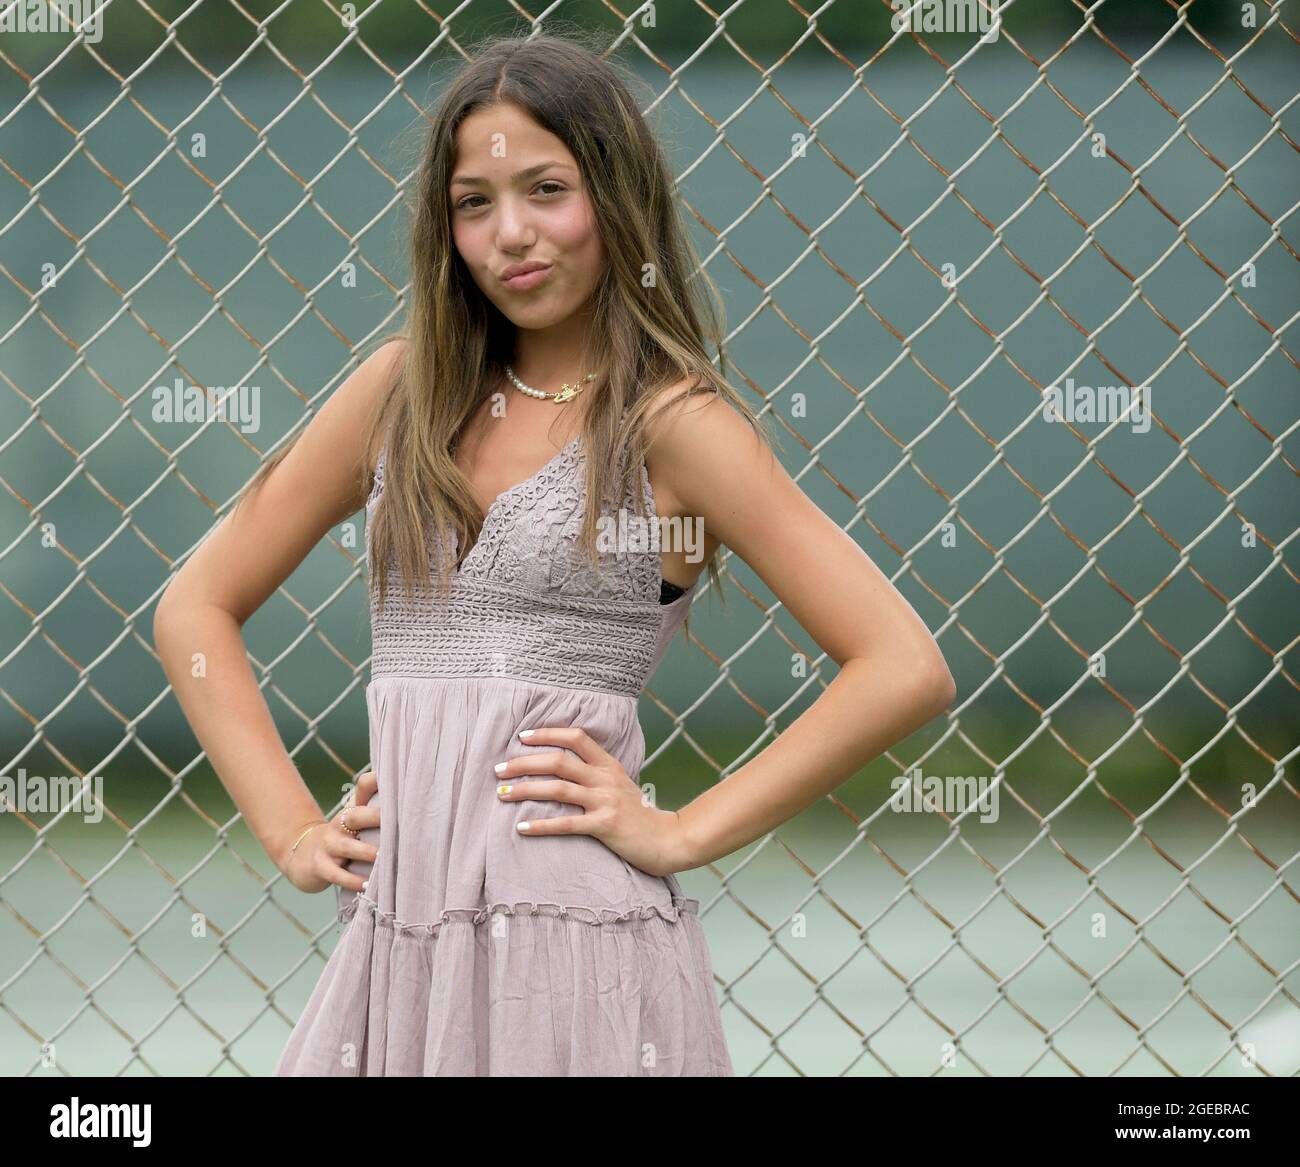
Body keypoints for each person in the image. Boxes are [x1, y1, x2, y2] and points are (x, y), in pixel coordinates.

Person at [154, 31, 956, 1077]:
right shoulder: (400, 397)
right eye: (474, 202)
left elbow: (903, 666)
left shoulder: (674, 427)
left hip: (576, 956)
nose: (511, 235)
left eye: (546, 189)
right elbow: (194, 607)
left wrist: (681, 830)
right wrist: (295, 836)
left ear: (616, 200)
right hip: (400, 945)